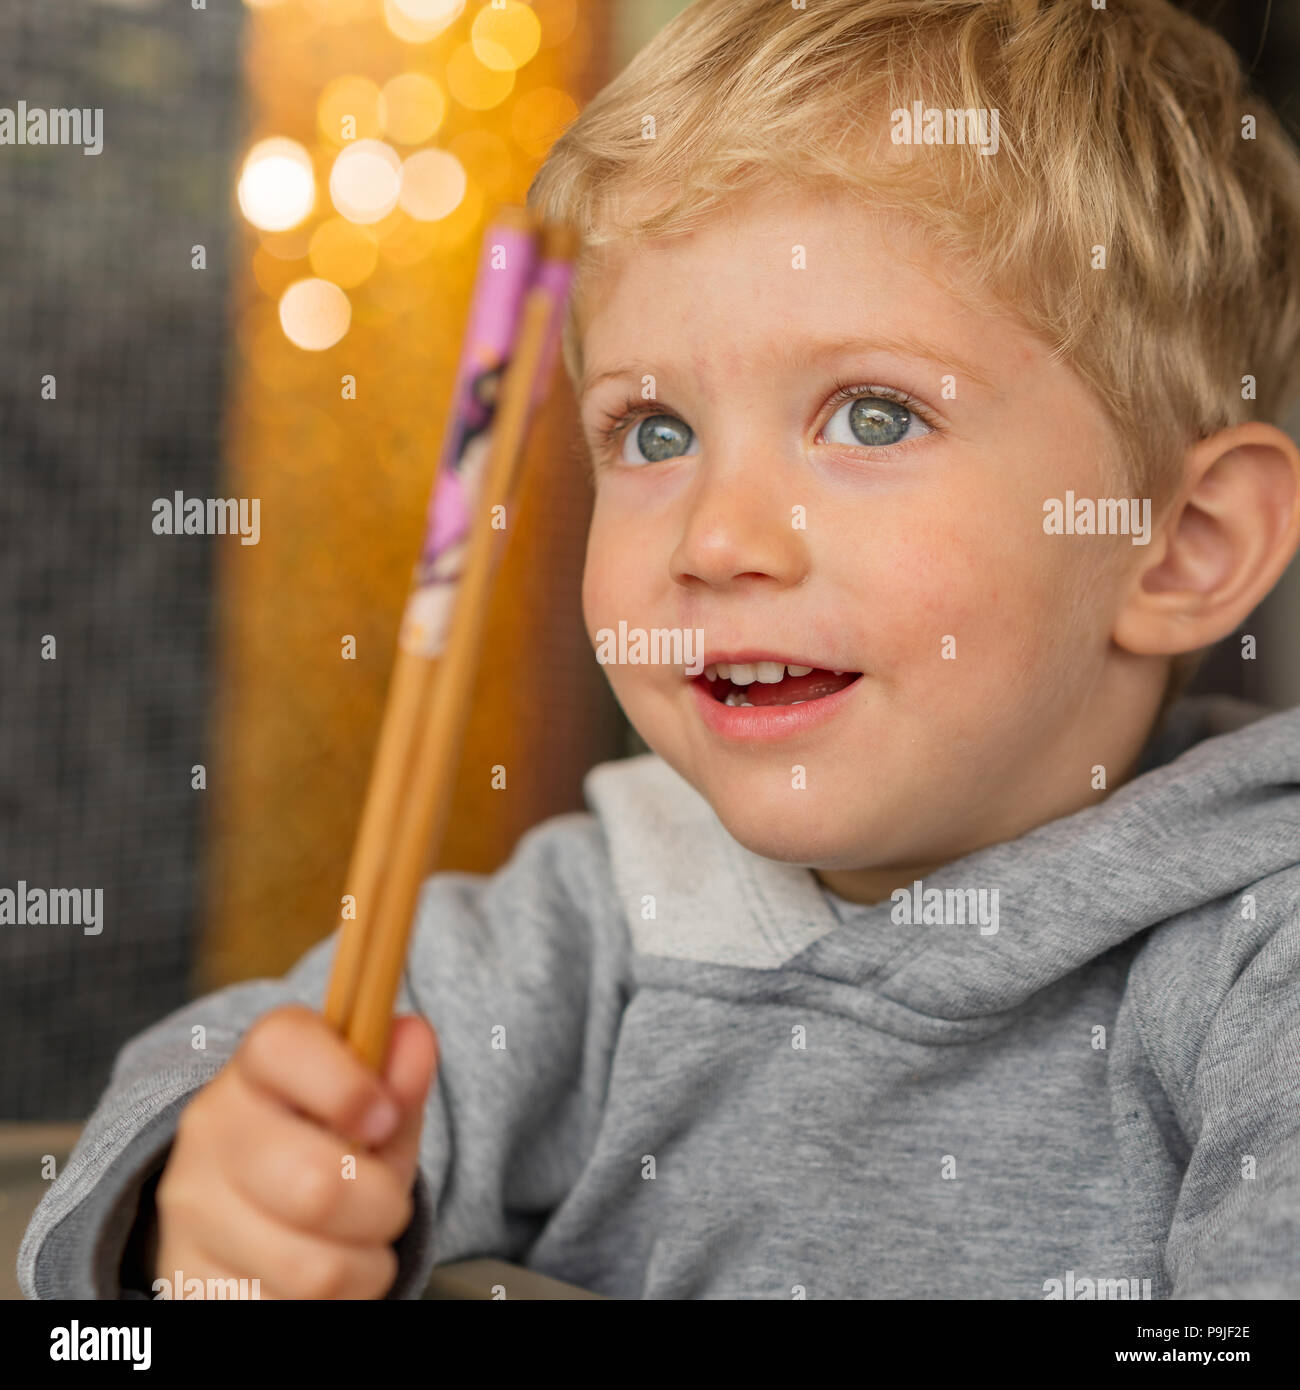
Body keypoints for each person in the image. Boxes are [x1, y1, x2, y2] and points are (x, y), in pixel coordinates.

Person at [20, 0, 1300, 1299]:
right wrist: (202, 1211)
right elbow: (204, 1088)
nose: (717, 535)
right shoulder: (610, 913)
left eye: (870, 414)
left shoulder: (1264, 954)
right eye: (652, 432)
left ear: (1184, 543)